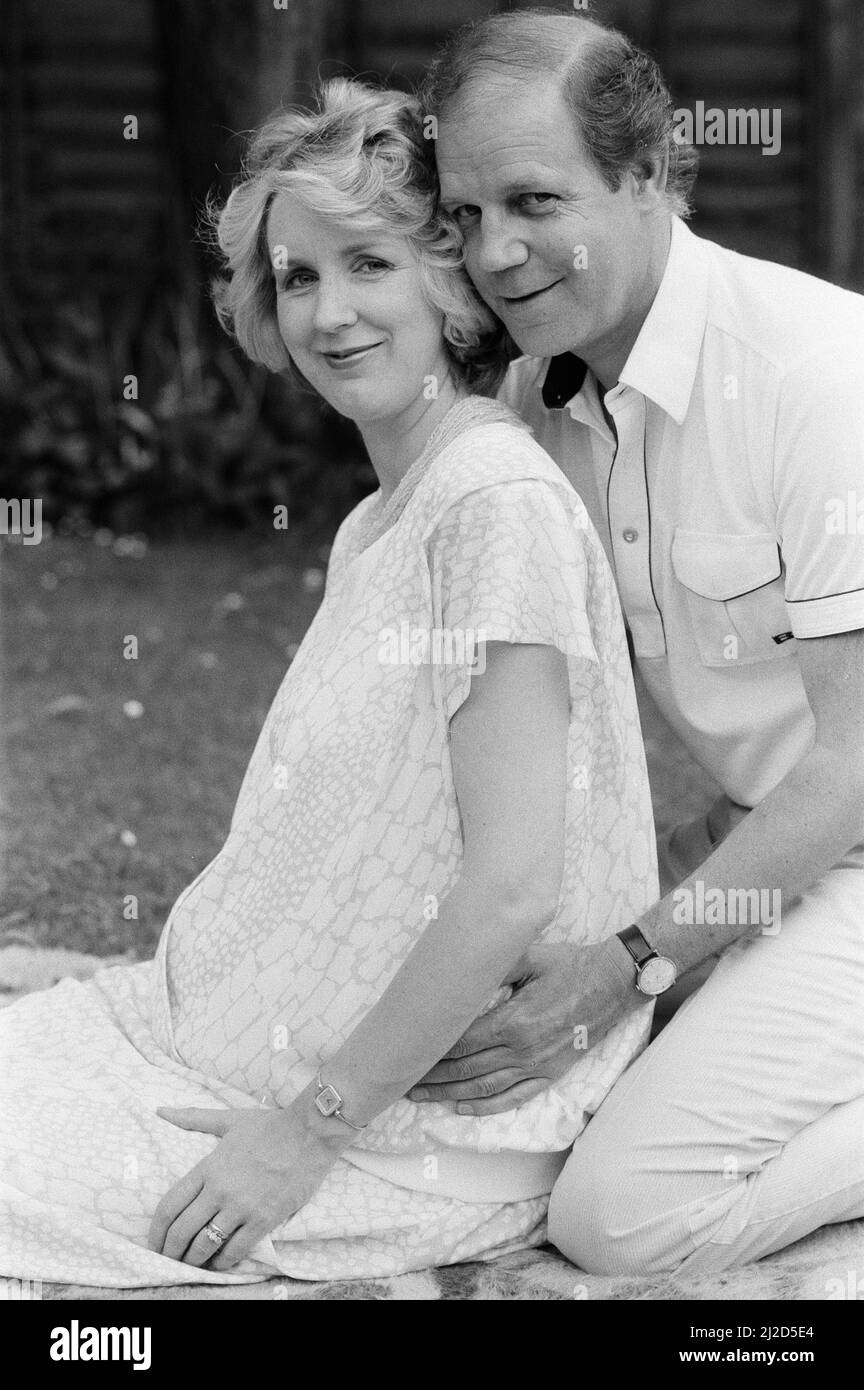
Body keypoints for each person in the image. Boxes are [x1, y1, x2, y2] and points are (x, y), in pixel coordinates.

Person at [0, 77, 659, 1286]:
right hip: (193, 1043)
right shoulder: (377, 523)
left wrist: (297, 1140)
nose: (329, 311)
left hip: (393, 1141)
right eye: (297, 276)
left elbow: (510, 889)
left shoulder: (493, 504)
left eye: (367, 263)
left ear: (446, 281)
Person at [411, 7, 864, 1277]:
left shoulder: (818, 374)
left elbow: (853, 766)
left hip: (847, 827)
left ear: (653, 173)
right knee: (490, 1098)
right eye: (464, 213)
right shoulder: (538, 401)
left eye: (535, 200)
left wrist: (635, 959)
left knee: (617, 1212)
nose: (497, 253)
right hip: (771, 838)